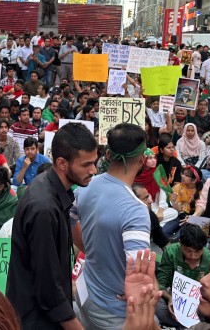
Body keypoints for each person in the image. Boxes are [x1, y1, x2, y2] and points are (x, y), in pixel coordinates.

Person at [7, 122, 97, 330]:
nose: (93, 170)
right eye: (86, 165)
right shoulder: (44, 209)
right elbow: (48, 290)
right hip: (36, 320)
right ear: (62, 163)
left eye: (94, 162)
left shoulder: (53, 190)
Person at [71, 123, 150, 328]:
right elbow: (138, 270)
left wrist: (91, 250)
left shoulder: (86, 186)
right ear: (142, 159)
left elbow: (69, 220)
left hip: (85, 290)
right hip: (112, 309)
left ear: (107, 154)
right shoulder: (136, 210)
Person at [154, 223, 210, 328]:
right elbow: (161, 283)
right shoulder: (171, 252)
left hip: (198, 303)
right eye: (188, 251)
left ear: (203, 247)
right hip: (175, 299)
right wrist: (170, 299)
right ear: (181, 244)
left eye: (198, 251)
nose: (193, 256)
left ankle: (190, 325)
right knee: (156, 303)